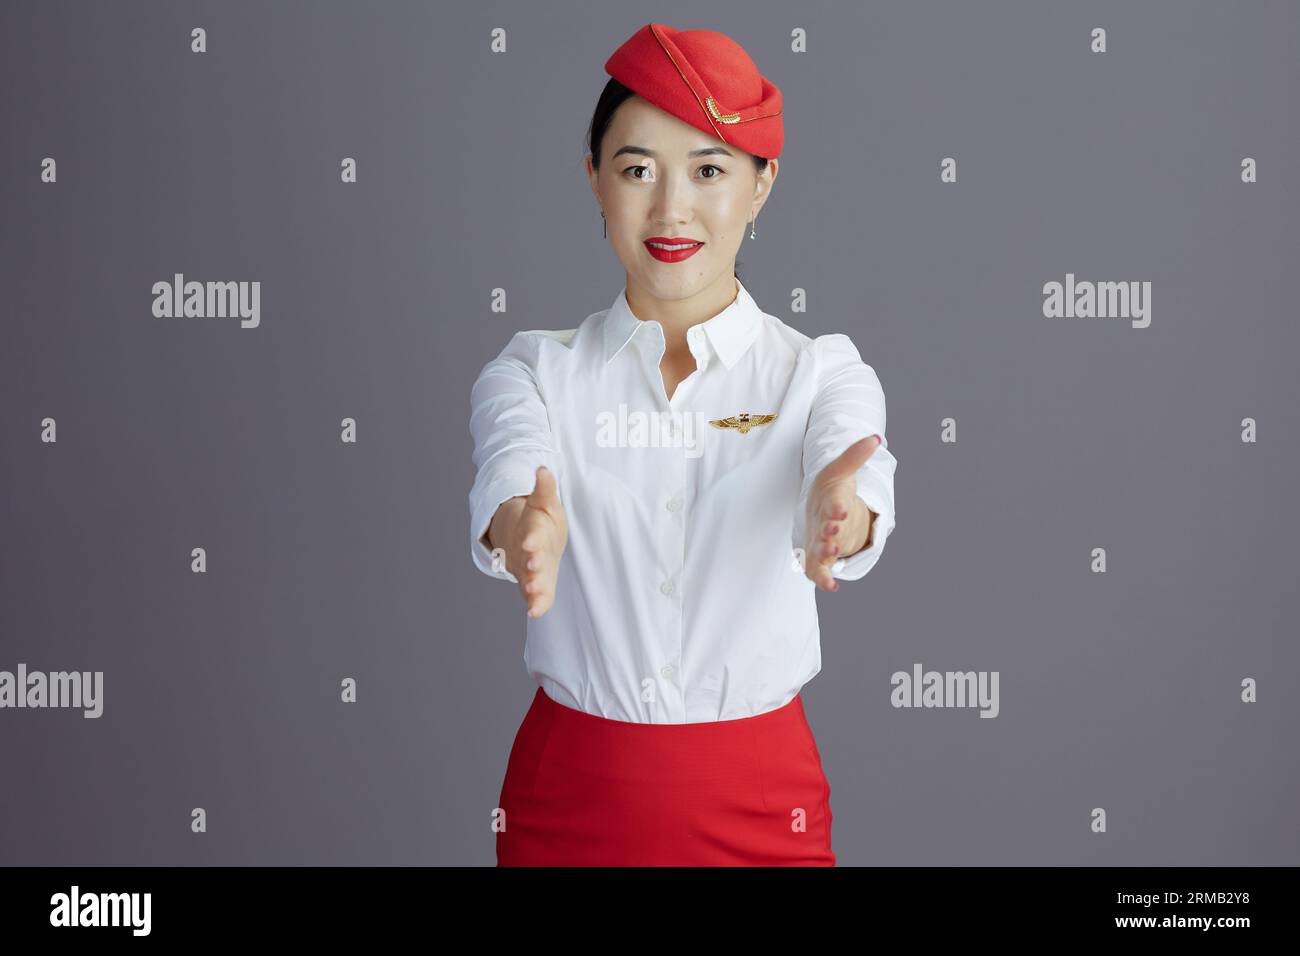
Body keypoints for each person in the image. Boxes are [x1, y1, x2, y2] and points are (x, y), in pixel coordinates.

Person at [468, 22, 898, 866]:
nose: (671, 208)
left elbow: (855, 470)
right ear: (594, 179)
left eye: (708, 170)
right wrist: (526, 528)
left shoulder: (819, 373)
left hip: (763, 804)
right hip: (569, 801)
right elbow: (511, 470)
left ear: (761, 185)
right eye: (636, 170)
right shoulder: (534, 371)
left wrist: (842, 516)